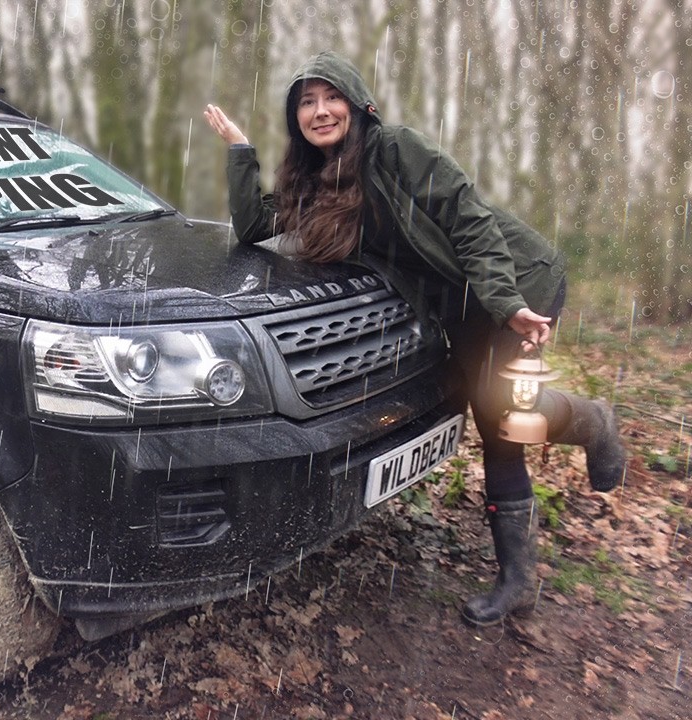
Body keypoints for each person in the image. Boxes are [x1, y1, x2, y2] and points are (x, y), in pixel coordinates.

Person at [204, 51, 626, 626]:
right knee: (499, 420)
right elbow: (254, 227)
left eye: (332, 97)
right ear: (296, 118)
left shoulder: (396, 148)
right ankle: (522, 578)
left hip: (515, 280)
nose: (321, 111)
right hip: (460, 305)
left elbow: (470, 220)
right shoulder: (313, 183)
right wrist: (239, 151)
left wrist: (507, 304)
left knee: (503, 412)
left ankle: (593, 425)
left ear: (358, 105)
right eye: (307, 102)